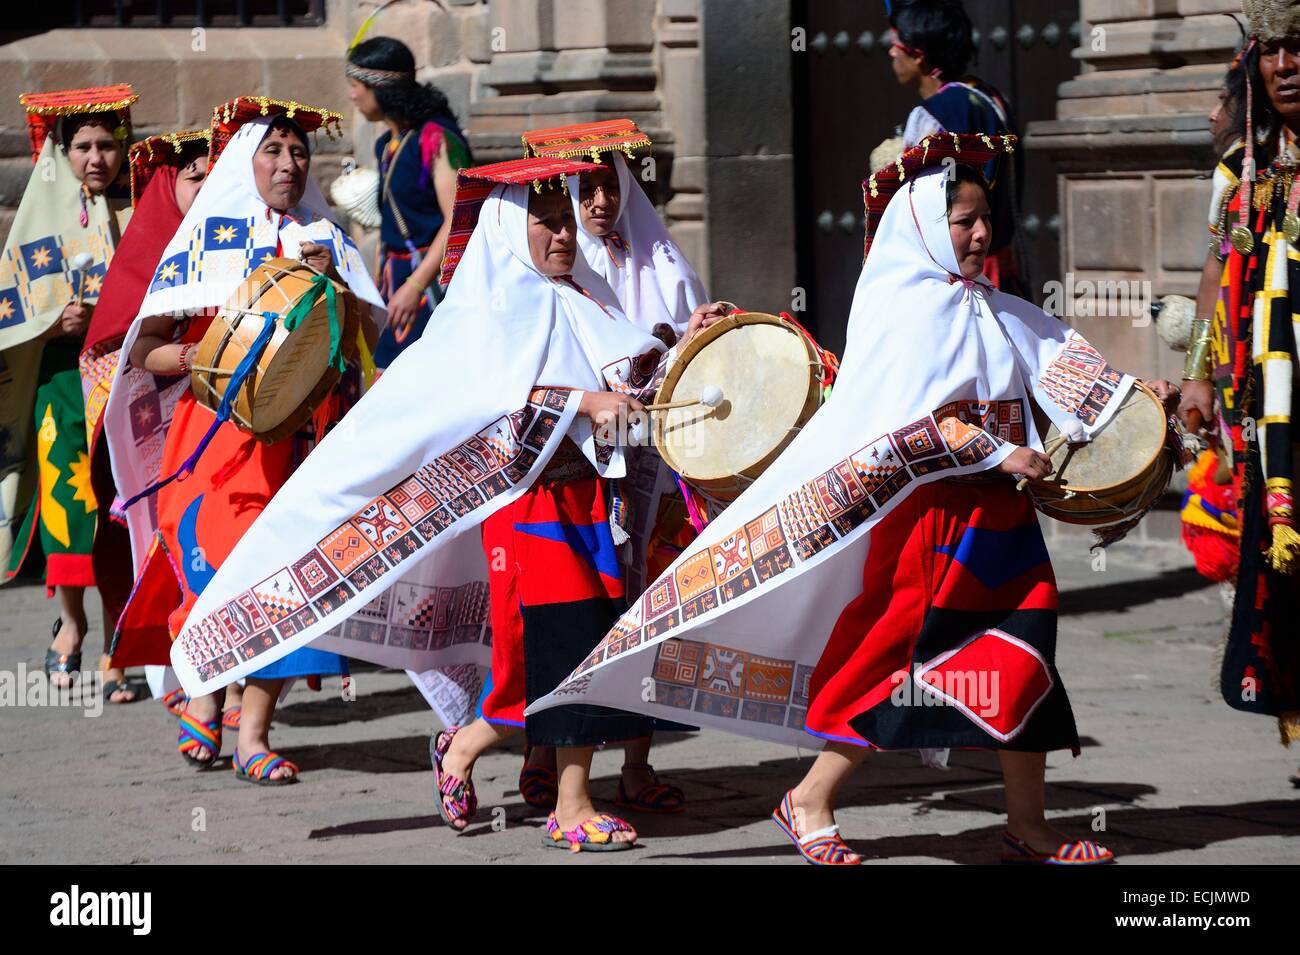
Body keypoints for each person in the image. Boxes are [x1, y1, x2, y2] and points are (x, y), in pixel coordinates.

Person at [526, 133, 1178, 865]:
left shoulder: (998, 307)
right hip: (930, 525)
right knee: (897, 667)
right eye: (964, 222)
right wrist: (996, 449)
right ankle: (809, 797)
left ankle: (1028, 824)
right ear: (930, 228)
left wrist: (1136, 402)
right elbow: (907, 430)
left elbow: (1065, 366)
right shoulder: (905, 316)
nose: (981, 233)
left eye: (984, 219)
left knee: (1026, 657)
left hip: (1002, 519)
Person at [165, 156, 711, 850]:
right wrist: (581, 402)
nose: (563, 235)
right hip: (531, 510)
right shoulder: (489, 313)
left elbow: (633, 375)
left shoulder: (583, 297)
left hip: (588, 504)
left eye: (564, 221)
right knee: (567, 648)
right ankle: (565, 804)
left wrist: (688, 341)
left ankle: (481, 758)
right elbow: (487, 412)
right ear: (512, 230)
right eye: (544, 224)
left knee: (582, 651)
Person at [104, 96, 384, 784]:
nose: (288, 164)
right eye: (273, 151)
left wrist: (336, 288)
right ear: (244, 160)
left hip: (299, 442)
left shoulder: (328, 237)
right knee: (221, 572)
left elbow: (364, 348)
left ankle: (255, 732)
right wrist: (202, 360)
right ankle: (203, 689)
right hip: (214, 442)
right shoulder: (207, 237)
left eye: (298, 153)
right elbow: (145, 349)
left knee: (287, 583)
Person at [504, 119, 720, 814]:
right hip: (571, 484)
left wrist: (689, 339)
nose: (595, 205)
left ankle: (627, 769)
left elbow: (649, 365)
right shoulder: (551, 279)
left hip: (653, 469)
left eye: (609, 185)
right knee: (574, 629)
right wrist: (594, 399)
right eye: (582, 190)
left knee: (643, 620)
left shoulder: (658, 259)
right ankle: (535, 767)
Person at [1179, 0, 1300, 781]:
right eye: (1274, 51)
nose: (1287, 66)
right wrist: (1195, 369)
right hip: (1272, 423)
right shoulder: (1243, 176)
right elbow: (1216, 271)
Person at [0, 86, 137, 697]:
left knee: (123, 505)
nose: (97, 158)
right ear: (63, 152)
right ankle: (74, 624)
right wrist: (53, 323)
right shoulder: (36, 226)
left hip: (128, 382)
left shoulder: (141, 215)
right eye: (82, 145)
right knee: (69, 498)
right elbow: (12, 311)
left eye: (108, 144)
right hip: (61, 380)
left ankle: (119, 647)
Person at [75, 129, 212, 708]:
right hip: (163, 427)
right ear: (168, 184)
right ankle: (182, 673)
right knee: (174, 541)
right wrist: (199, 359)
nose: (207, 185)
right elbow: (127, 343)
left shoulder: (248, 237)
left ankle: (226, 685)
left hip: (237, 421)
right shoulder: (155, 248)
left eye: (216, 173)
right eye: (194, 175)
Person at [345, 36, 472, 366]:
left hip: (431, 279)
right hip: (396, 277)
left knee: (425, 372)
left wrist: (416, 284)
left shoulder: (436, 138)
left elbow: (460, 217)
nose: (352, 94)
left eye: (356, 84)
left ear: (380, 87)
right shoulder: (386, 144)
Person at [888, 0, 1025, 292]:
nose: (891, 52)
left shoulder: (932, 116)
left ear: (920, 57)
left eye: (897, 44)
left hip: (955, 273)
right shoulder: (992, 99)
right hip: (998, 261)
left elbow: (922, 205)